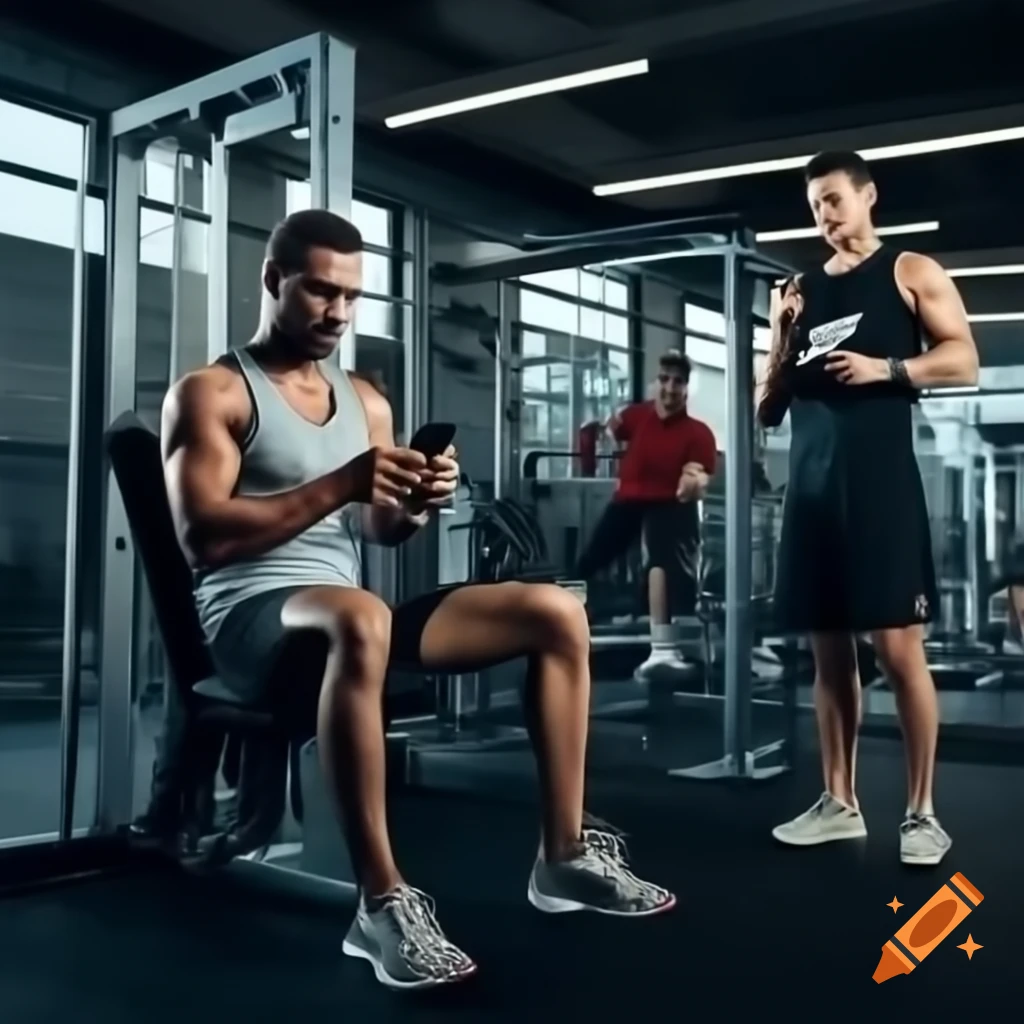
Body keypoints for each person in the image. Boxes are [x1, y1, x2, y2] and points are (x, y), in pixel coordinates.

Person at [159, 208, 675, 991]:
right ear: (273, 281)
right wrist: (344, 480)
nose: (337, 311)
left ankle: (564, 855)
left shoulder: (365, 399)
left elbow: (380, 531)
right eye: (320, 292)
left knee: (555, 610)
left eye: (351, 297)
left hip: (345, 616)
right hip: (246, 620)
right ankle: (381, 904)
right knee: (361, 616)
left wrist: (417, 499)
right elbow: (205, 539)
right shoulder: (212, 392)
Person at [760, 151, 979, 866]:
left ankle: (921, 813)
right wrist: (783, 338)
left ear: (867, 196)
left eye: (833, 199)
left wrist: (888, 369)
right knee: (827, 652)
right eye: (815, 205)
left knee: (896, 649)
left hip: (881, 484)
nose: (823, 216)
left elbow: (964, 360)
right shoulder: (795, 288)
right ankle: (839, 802)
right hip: (814, 490)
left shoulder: (910, 271)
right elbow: (767, 409)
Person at [576, 351, 716, 680]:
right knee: (587, 563)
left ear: (686, 388)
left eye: (678, 382)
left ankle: (662, 649)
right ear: (656, 383)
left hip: (669, 503)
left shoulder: (698, 433)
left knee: (659, 559)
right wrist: (604, 428)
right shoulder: (638, 416)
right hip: (629, 500)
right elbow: (614, 427)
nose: (670, 388)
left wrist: (693, 481)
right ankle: (565, 628)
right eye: (664, 379)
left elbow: (699, 474)